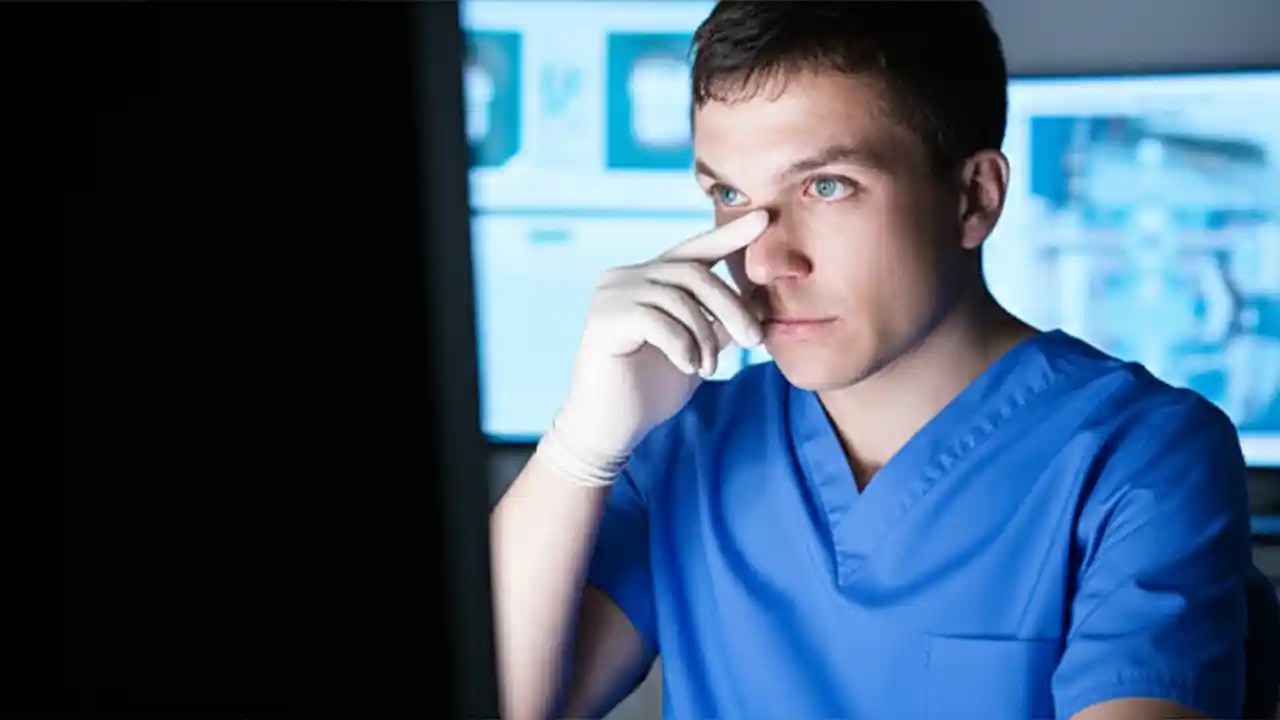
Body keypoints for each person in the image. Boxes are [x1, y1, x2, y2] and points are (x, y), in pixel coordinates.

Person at [488, 3, 1257, 719]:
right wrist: (580, 443)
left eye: (826, 186)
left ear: (973, 197)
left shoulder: (1138, 455)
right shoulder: (691, 445)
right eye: (729, 195)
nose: (764, 260)